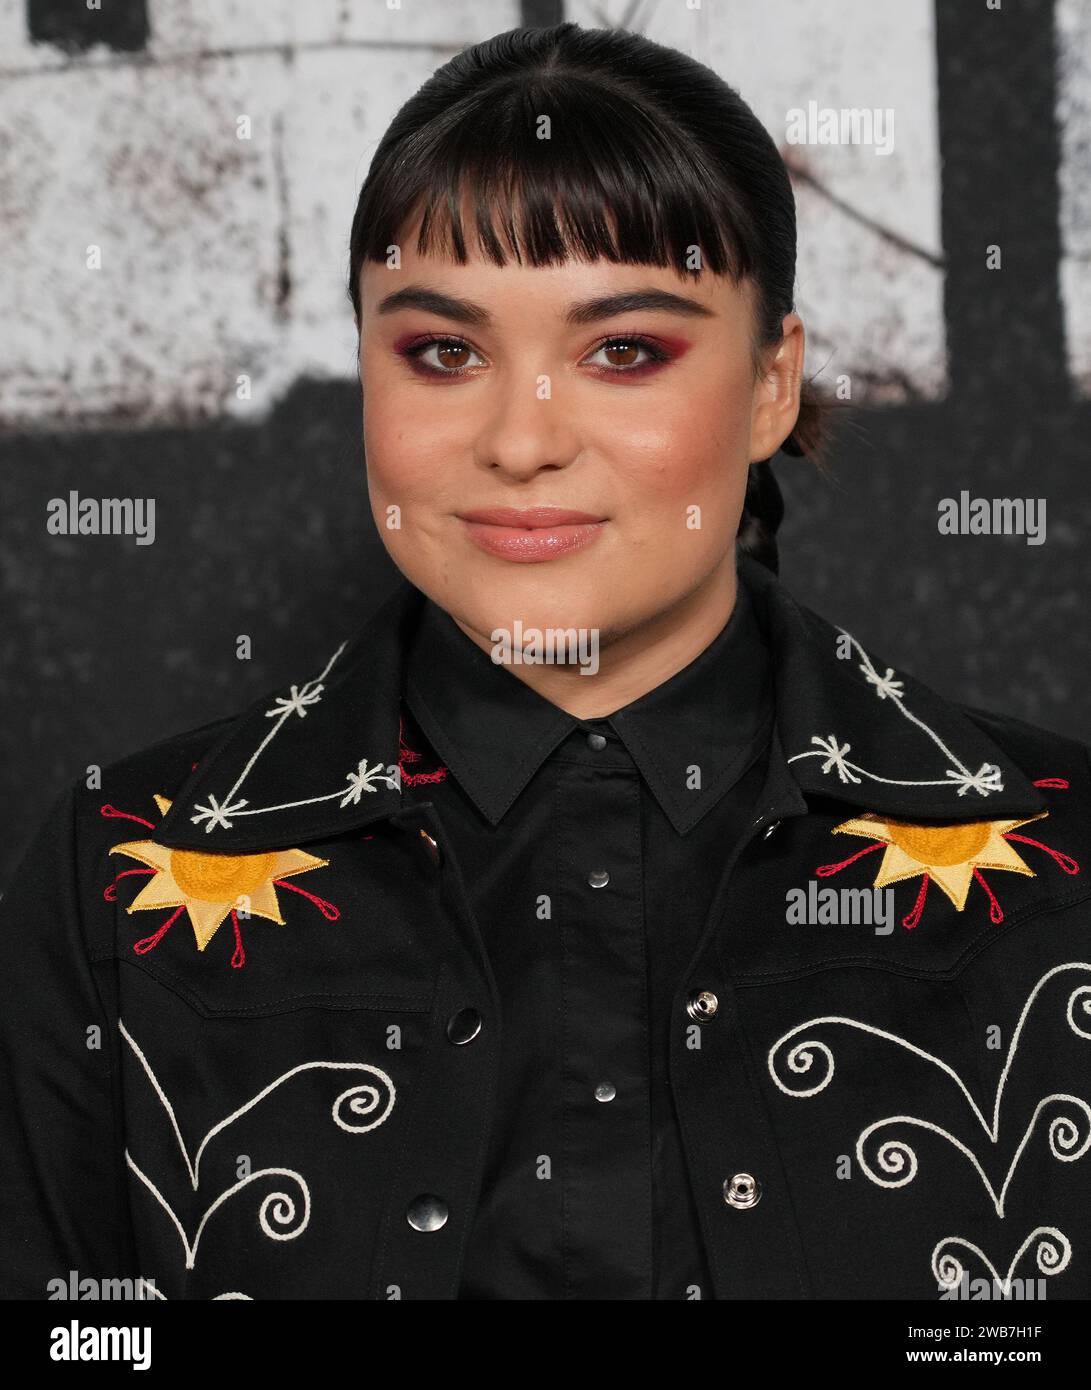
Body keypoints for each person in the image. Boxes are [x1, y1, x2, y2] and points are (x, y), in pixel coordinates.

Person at [1, 21, 1088, 1302]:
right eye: (443, 352)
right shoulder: (113, 877)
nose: (521, 443)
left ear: (770, 384)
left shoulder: (1064, 876)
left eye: (623, 351)